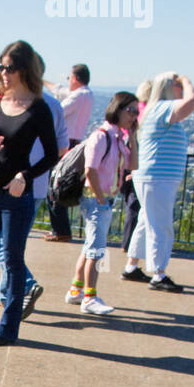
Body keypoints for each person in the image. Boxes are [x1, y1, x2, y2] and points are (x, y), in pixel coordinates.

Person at [0, 41, 59, 346]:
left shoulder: (38, 108)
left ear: (24, 69)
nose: (3, 73)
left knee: (13, 261)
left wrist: (25, 175)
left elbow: (52, 155)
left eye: (10, 67)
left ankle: (7, 329)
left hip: (17, 196)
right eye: (1, 66)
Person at [0, 55, 69, 321]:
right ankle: (7, 297)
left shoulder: (10, 101)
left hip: (11, 183)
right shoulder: (53, 105)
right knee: (12, 245)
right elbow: (62, 148)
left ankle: (23, 286)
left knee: (5, 247)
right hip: (38, 184)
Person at [64, 92, 139, 316]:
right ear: (118, 108)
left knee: (90, 247)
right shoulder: (102, 136)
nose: (134, 116)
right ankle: (90, 297)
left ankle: (76, 290)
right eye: (131, 110)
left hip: (103, 198)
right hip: (96, 198)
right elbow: (90, 169)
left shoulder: (117, 137)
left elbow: (132, 165)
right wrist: (99, 198)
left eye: (137, 112)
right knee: (97, 250)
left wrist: (132, 137)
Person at [122, 72, 194, 292]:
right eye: (177, 86)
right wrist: (186, 80)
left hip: (153, 176)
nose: (181, 89)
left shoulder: (154, 110)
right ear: (168, 88)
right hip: (158, 178)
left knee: (147, 221)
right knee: (161, 226)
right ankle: (159, 274)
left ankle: (132, 266)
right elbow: (191, 103)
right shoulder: (163, 108)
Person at [44, 64, 94, 241]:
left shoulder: (79, 96)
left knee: (56, 183)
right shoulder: (87, 94)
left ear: (74, 78)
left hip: (67, 143)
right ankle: (61, 229)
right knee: (61, 183)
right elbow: (60, 91)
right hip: (75, 142)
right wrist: (42, 81)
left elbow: (57, 110)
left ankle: (61, 230)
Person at [121, 79, 151, 251]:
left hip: (127, 158)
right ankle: (130, 243)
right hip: (137, 158)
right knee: (134, 205)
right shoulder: (147, 113)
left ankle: (128, 242)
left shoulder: (133, 111)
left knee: (131, 203)